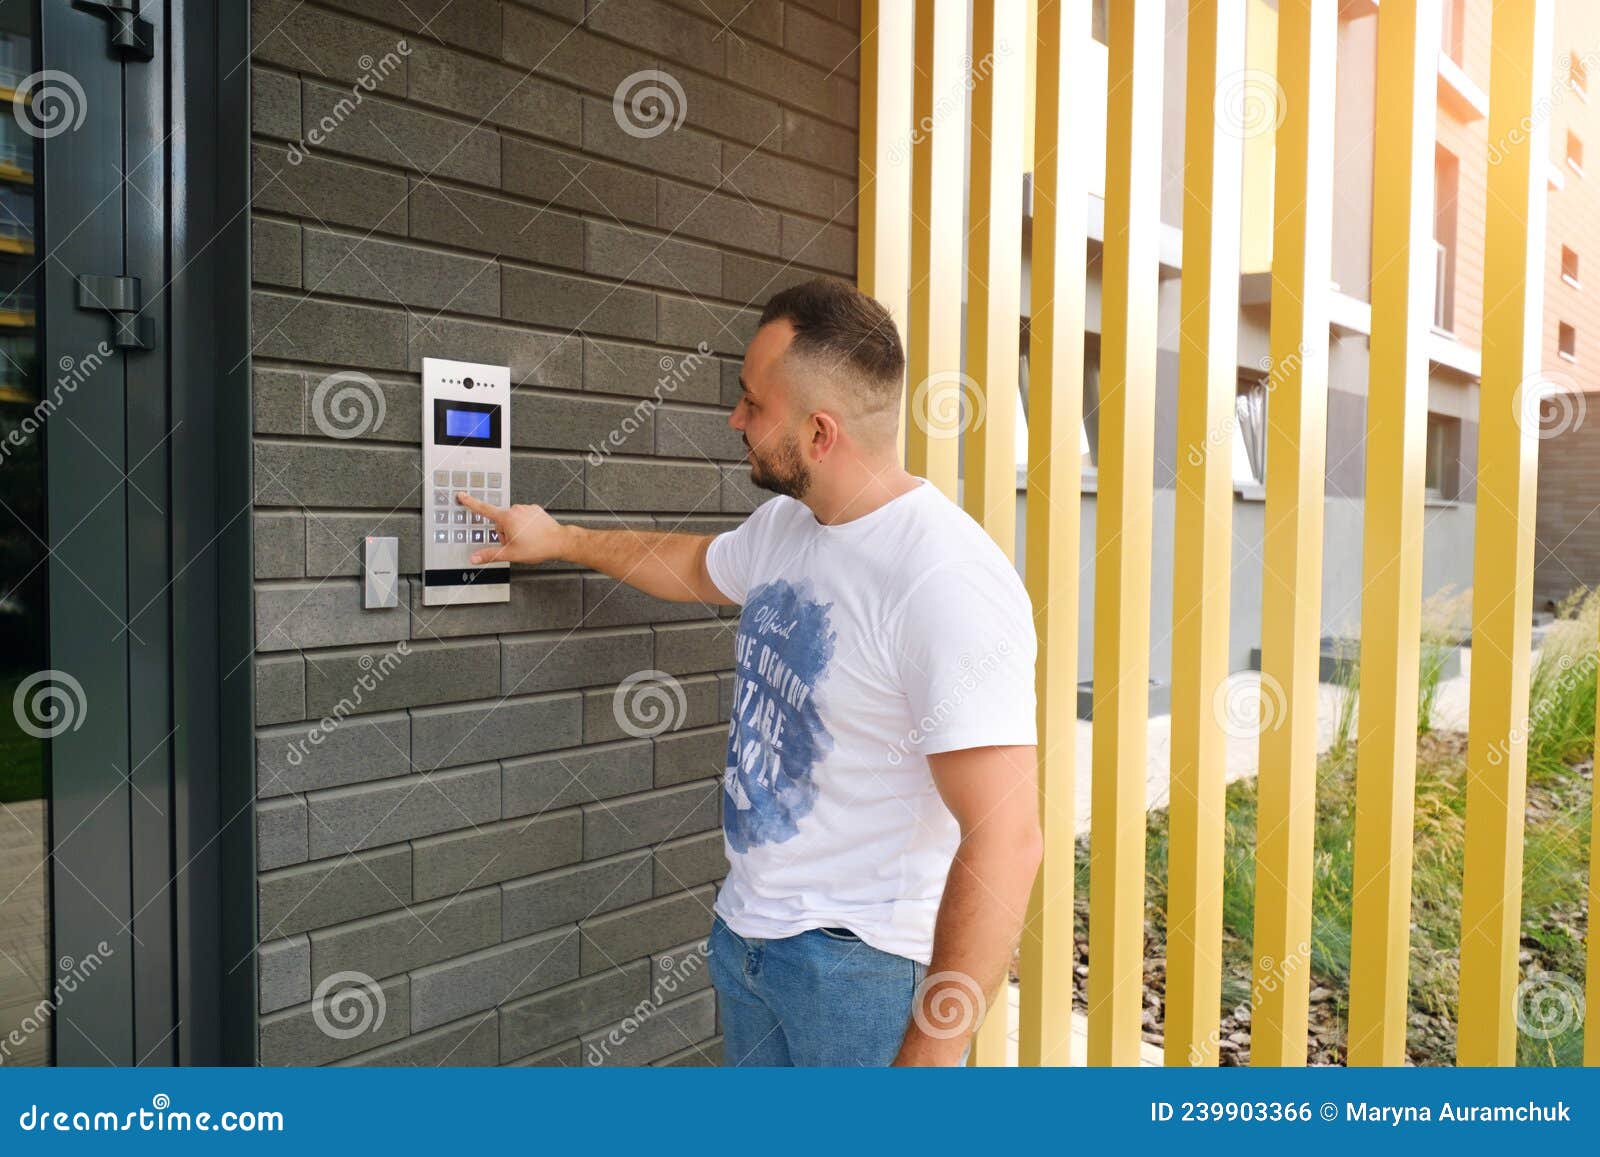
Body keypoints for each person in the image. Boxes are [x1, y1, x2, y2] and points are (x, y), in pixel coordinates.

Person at [456, 276, 1042, 1067]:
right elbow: (694, 564)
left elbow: (1007, 836)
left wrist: (933, 1054)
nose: (735, 418)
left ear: (822, 432)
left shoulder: (942, 579)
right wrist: (560, 537)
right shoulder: (790, 525)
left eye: (752, 403)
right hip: (751, 941)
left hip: (863, 970)